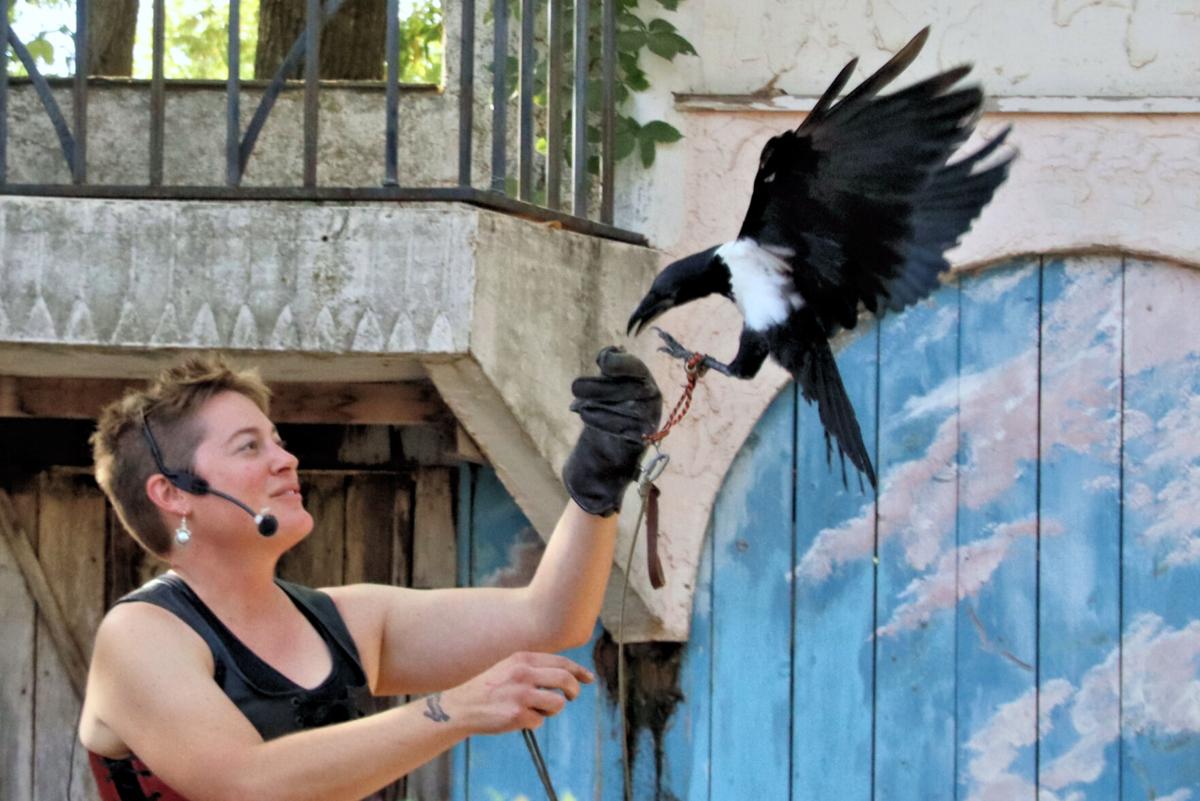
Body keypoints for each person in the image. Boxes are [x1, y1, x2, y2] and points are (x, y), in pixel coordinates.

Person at [79, 349, 661, 801]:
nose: (287, 459)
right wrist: (453, 710)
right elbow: (245, 784)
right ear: (174, 493)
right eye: (249, 447)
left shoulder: (346, 620)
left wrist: (596, 487)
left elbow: (549, 618)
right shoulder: (140, 636)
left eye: (278, 441)